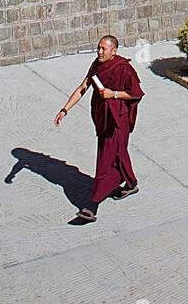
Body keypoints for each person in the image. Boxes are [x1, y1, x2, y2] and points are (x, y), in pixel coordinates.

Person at [55, 35, 144, 223]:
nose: (99, 52)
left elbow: (136, 93)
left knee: (105, 163)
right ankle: (131, 183)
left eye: (104, 49)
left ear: (114, 51)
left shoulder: (124, 69)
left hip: (118, 121)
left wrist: (114, 94)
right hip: (102, 118)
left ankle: (91, 205)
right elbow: (83, 87)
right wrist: (65, 109)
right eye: (98, 48)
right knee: (118, 154)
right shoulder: (97, 64)